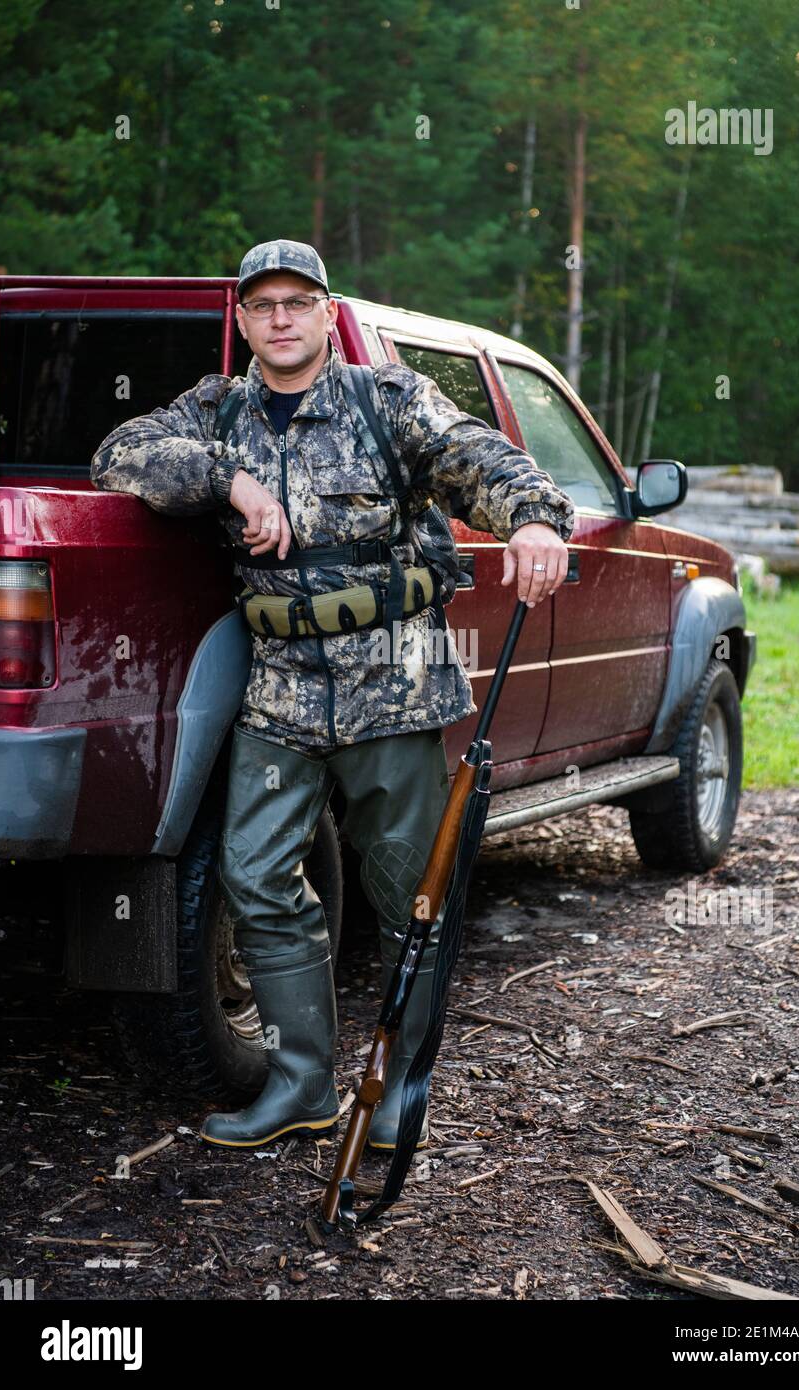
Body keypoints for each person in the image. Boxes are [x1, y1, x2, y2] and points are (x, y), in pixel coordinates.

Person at [91, 238, 573, 1152]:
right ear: (242, 321)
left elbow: (482, 456)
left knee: (409, 895)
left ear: (325, 312)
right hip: (279, 695)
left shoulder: (384, 400)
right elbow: (122, 451)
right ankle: (302, 1083)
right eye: (262, 305)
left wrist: (538, 520)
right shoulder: (217, 409)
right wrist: (224, 478)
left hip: (391, 685)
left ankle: (399, 1089)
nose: (280, 319)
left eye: (296, 303)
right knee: (260, 878)